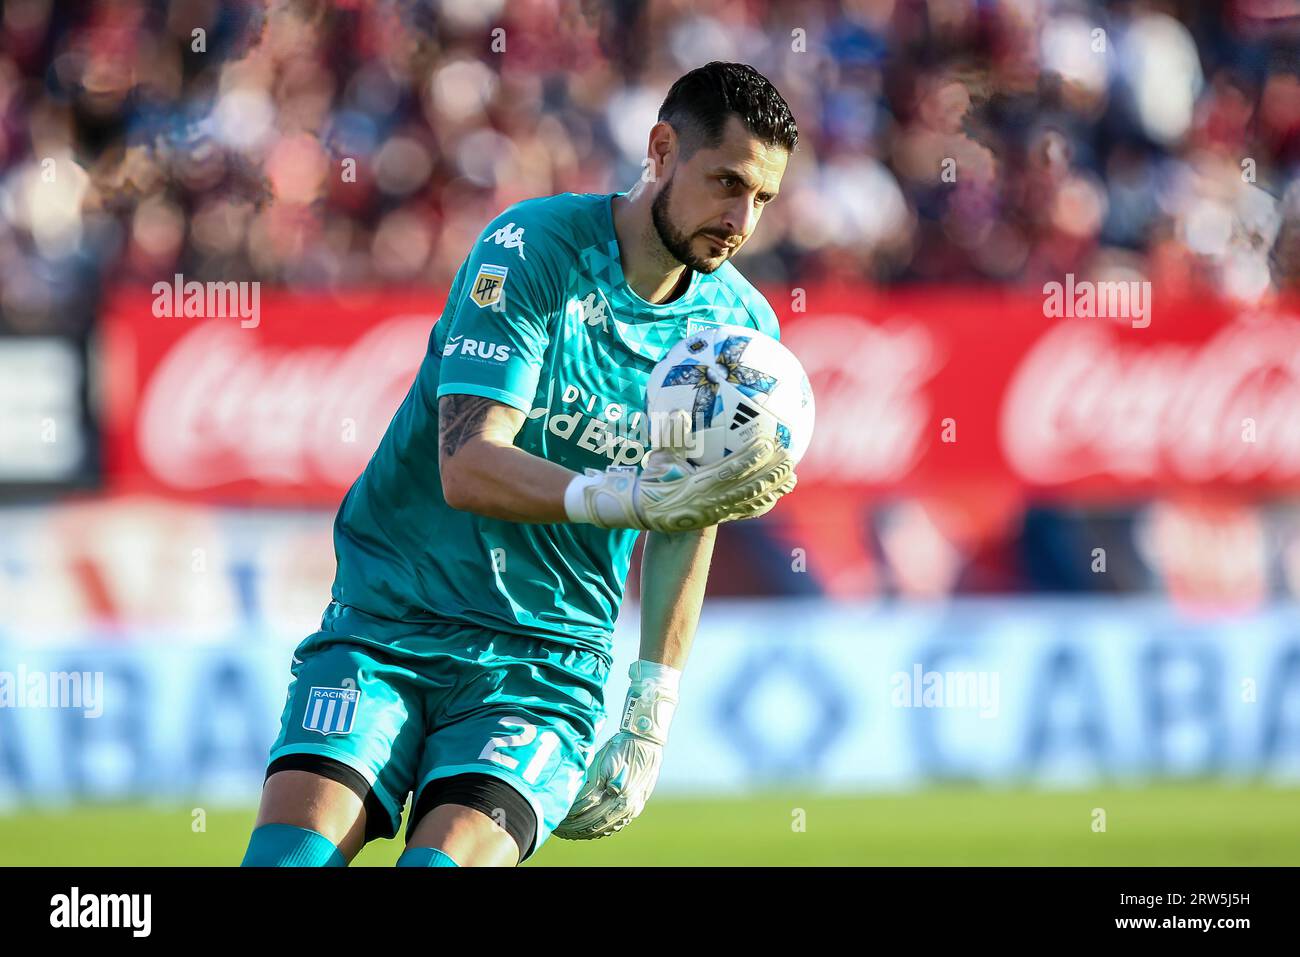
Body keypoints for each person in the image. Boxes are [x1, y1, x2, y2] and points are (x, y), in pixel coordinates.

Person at [241, 61, 799, 867]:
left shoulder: (738, 332)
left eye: (763, 199)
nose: (741, 218)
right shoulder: (532, 248)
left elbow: (686, 515)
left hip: (545, 666)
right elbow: (468, 464)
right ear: (662, 148)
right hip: (391, 622)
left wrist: (650, 712)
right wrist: (629, 497)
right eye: (727, 183)